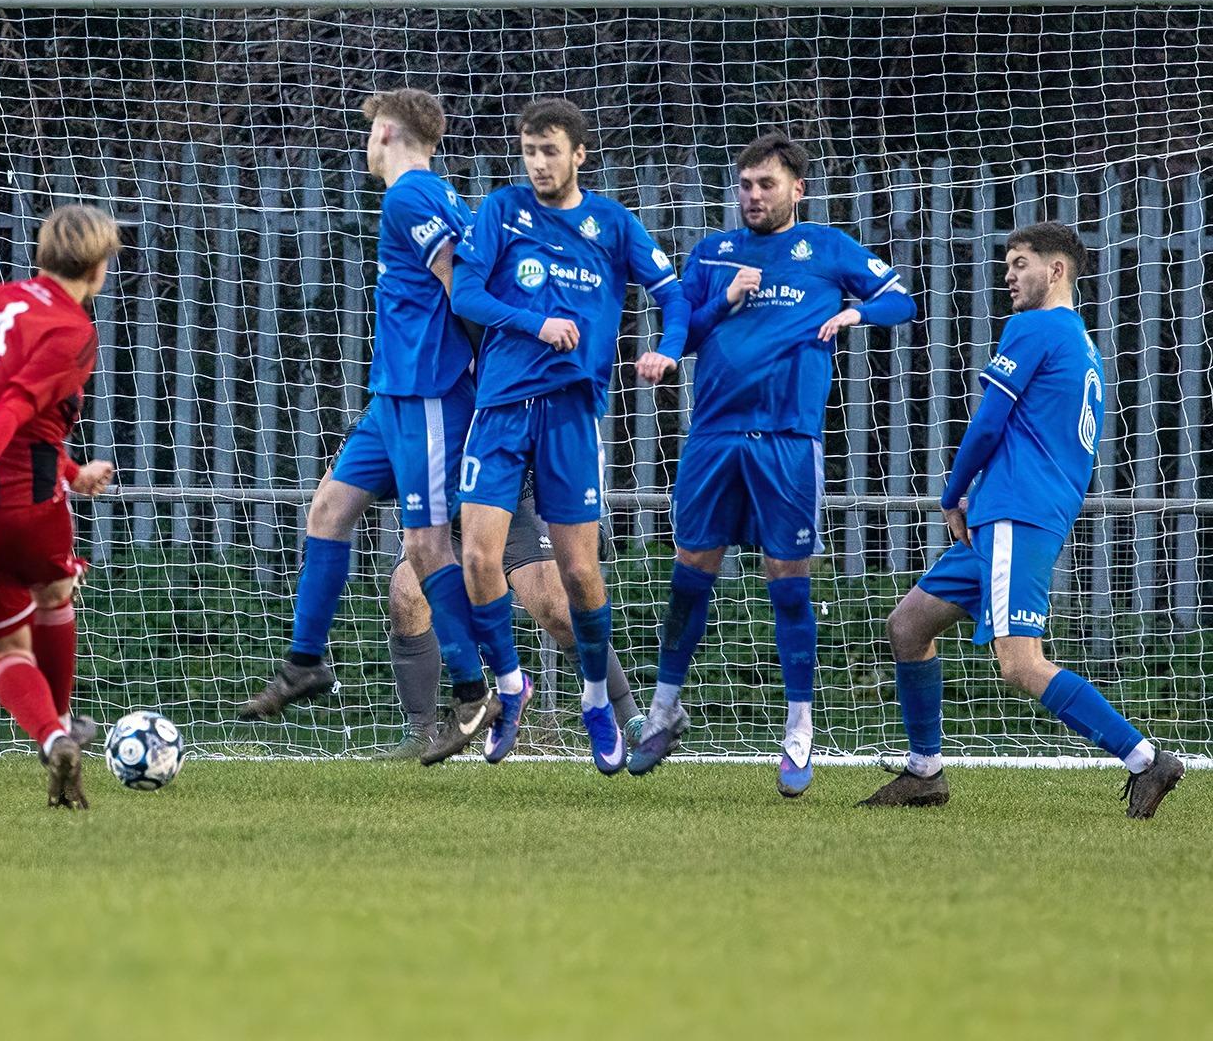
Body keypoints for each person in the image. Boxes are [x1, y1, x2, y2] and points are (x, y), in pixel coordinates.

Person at [861, 222, 1185, 817]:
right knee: (908, 624)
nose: (1008, 276)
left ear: (1055, 270)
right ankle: (924, 772)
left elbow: (989, 423)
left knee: (1019, 663)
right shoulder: (1082, 345)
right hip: (1009, 514)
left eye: (1020, 264)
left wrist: (953, 494)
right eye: (1007, 264)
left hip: (1016, 514)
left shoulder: (1035, 326)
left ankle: (1145, 759)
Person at [628, 133, 916, 796]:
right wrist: (723, 301)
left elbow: (902, 300)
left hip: (787, 438)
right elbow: (685, 330)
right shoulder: (713, 253)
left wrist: (856, 312)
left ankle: (798, 730)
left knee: (787, 583)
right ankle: (664, 712)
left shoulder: (828, 248)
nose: (753, 196)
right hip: (713, 435)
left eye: (767, 184)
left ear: (797, 189)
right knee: (689, 578)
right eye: (746, 185)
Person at [240, 88, 501, 765]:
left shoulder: (410, 195)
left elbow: (462, 289)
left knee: (425, 546)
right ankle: (304, 663)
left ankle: (473, 691)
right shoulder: (434, 195)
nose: (364, 144)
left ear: (385, 131)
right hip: (393, 395)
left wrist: (488, 374)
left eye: (368, 131)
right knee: (329, 509)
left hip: (430, 391)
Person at [448, 97, 688, 767]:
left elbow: (673, 295)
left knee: (581, 571)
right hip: (501, 407)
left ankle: (595, 700)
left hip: (571, 414)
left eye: (550, 150)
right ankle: (509, 686)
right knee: (478, 560)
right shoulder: (502, 210)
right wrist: (536, 323)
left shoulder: (612, 223)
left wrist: (667, 350)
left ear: (579, 154)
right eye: (529, 151)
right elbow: (466, 294)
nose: (538, 163)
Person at [0, 203, 119, 810]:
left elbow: (2, 413)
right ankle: (61, 723)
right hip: (27, 510)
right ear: (98, 268)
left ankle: (52, 735)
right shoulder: (73, 331)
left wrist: (71, 470)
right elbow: (14, 409)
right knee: (55, 593)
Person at [378, 473, 645, 765]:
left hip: (516, 507)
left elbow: (562, 452)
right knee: (406, 597)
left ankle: (629, 719)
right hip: (444, 516)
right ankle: (421, 733)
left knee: (559, 610)